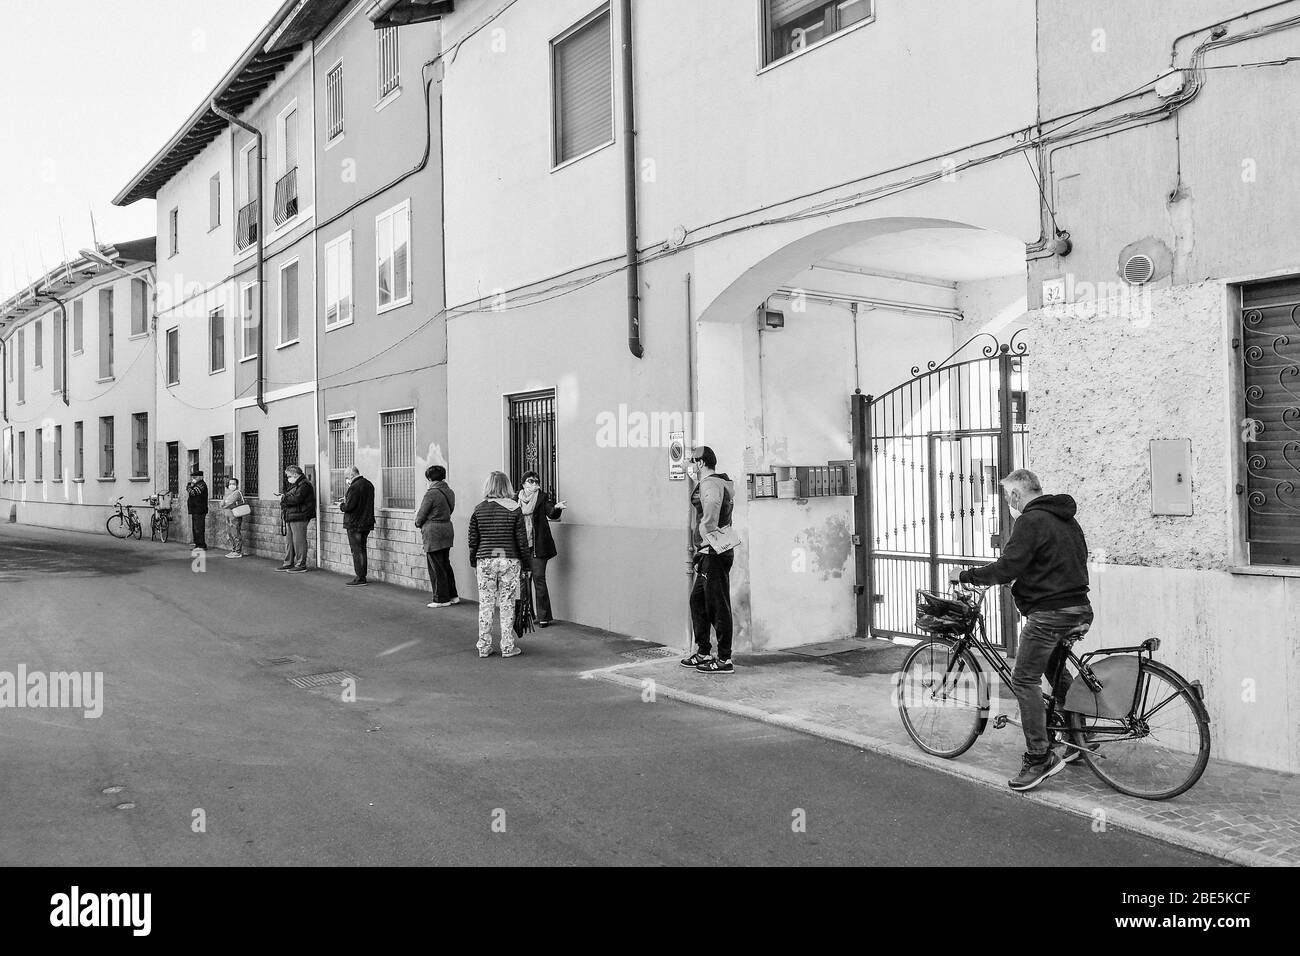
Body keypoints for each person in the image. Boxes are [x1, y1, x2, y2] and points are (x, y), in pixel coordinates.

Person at [950, 468, 1092, 793]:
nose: (1008, 504)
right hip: (1079, 608)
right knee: (1058, 673)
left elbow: (1009, 566)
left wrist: (968, 576)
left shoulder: (1030, 520)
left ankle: (1039, 758)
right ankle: (1077, 735)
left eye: (1007, 498)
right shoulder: (1066, 519)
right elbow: (1067, 561)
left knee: (1024, 678)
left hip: (1050, 614)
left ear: (1016, 495)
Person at [679, 446, 737, 674]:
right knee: (698, 601)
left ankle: (724, 659)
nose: (691, 465)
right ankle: (703, 651)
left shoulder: (711, 485)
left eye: (692, 461)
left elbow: (710, 515)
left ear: (701, 463)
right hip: (710, 551)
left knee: (718, 606)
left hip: (713, 552)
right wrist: (688, 472)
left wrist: (703, 543)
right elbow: (704, 496)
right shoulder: (716, 481)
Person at [467, 471, 529, 659]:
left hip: (485, 559)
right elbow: (521, 539)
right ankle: (508, 646)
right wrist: (526, 565)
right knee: (507, 603)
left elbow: (473, 539)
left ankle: (484, 646)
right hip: (509, 560)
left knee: (486, 603)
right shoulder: (515, 508)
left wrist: (474, 560)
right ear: (507, 486)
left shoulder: (479, 509)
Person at [517, 471, 566, 627]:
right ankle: (527, 614)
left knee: (538, 578)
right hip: (522, 546)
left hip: (539, 545)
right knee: (524, 580)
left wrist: (557, 508)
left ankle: (543, 616)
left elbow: (551, 511)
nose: (534, 484)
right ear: (523, 483)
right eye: (530, 481)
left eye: (536, 481)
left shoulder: (542, 497)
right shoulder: (515, 500)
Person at [415, 465, 459, 607]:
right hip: (447, 529)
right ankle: (453, 595)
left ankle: (441, 599)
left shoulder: (431, 493)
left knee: (436, 567)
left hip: (433, 532)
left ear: (429, 478)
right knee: (445, 564)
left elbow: (421, 515)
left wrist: (417, 522)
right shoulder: (449, 492)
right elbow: (450, 510)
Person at [275, 464, 316, 573]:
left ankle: (300, 564)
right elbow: (293, 497)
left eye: (289, 476)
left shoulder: (304, 485)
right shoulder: (297, 485)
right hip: (292, 515)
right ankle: (288, 562)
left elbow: (297, 499)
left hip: (300, 516)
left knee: (299, 541)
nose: (288, 478)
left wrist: (283, 498)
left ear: (295, 474)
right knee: (290, 541)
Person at [339, 466, 375, 587]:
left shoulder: (354, 487)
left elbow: (349, 507)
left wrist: (342, 505)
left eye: (346, 477)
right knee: (362, 549)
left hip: (355, 523)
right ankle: (362, 575)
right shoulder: (369, 484)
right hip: (367, 522)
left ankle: (360, 577)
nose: (346, 480)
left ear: (351, 475)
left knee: (357, 551)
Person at [219, 477, 246, 558]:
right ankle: (233, 550)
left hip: (235, 516)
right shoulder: (228, 493)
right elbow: (222, 503)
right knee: (230, 533)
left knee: (235, 533)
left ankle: (238, 551)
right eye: (230, 484)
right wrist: (224, 503)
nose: (231, 485)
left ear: (237, 485)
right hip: (228, 515)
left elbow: (228, 503)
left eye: (233, 484)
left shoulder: (237, 493)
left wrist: (224, 503)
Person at [186, 468, 209, 550]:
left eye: (195, 477)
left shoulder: (201, 485)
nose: (193, 479)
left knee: (199, 528)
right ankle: (197, 544)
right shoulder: (196, 484)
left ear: (200, 477)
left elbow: (193, 492)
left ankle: (201, 545)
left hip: (200, 510)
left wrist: (189, 487)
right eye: (193, 477)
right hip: (195, 510)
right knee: (195, 528)